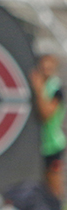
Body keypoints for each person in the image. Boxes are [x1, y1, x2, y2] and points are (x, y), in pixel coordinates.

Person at [30, 54, 65, 201]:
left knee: (54, 185)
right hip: (41, 145)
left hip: (53, 144)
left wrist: (39, 89)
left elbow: (46, 114)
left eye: (49, 68)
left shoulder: (55, 88)